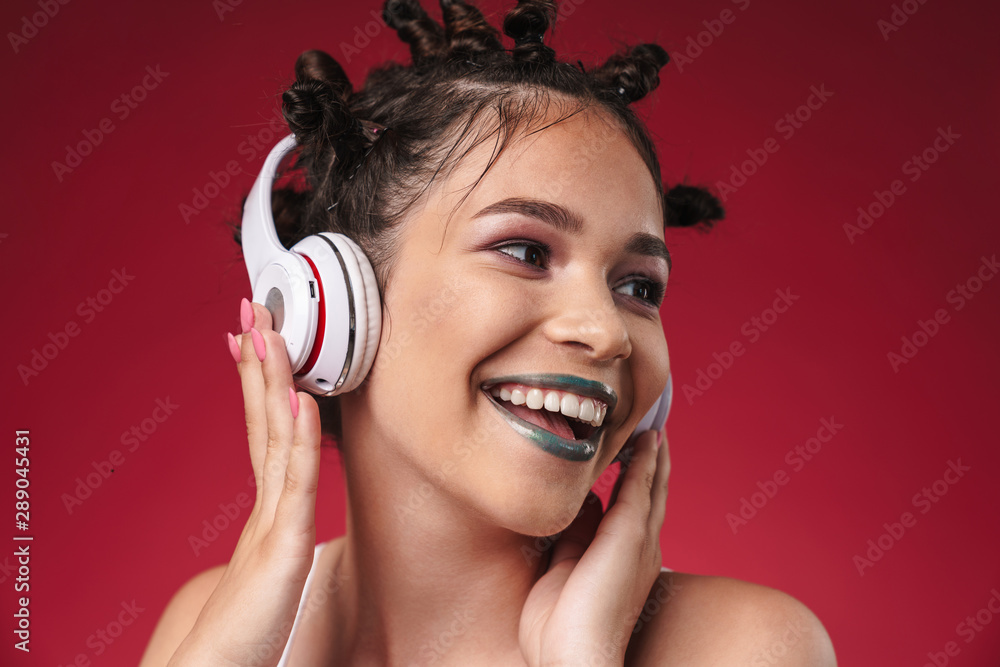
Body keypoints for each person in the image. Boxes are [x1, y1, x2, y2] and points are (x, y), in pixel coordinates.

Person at [140, 0, 837, 664]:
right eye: (527, 252)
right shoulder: (208, 629)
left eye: (638, 287)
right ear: (329, 306)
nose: (607, 334)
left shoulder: (744, 647)